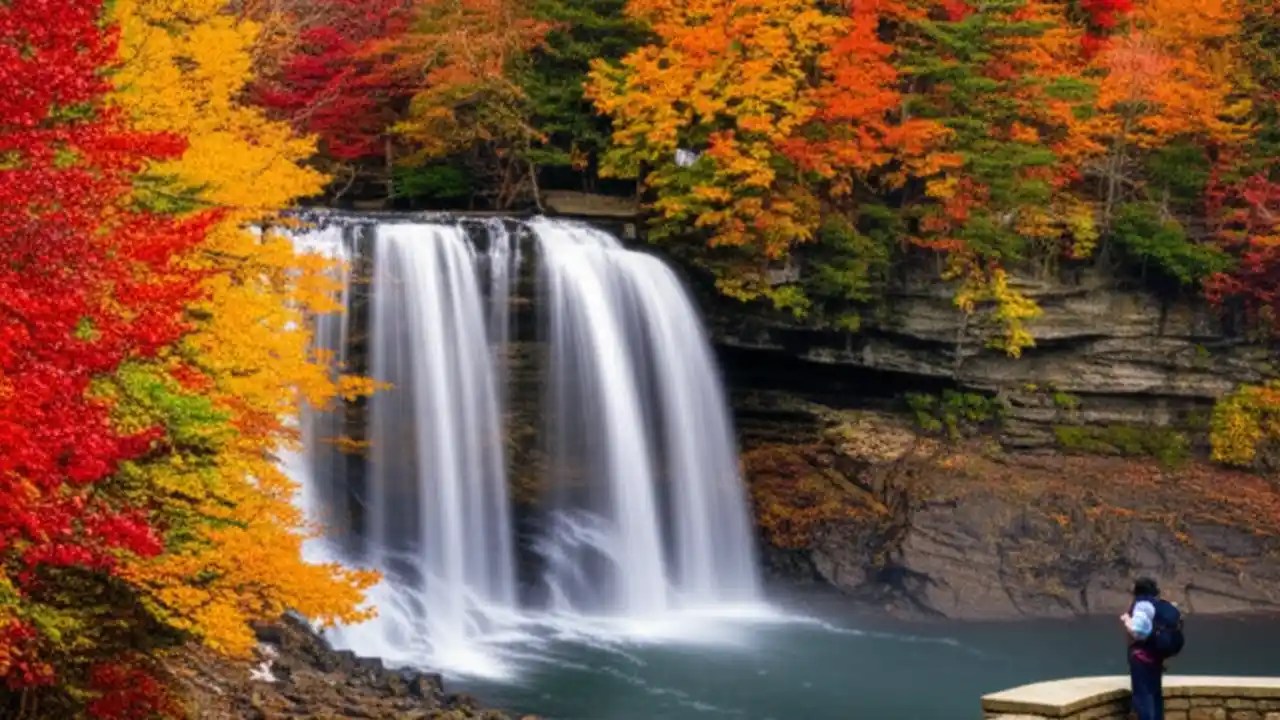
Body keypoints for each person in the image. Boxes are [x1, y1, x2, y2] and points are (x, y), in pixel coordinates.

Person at [1121, 577, 1174, 720]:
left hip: (1141, 658)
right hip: (1155, 658)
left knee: (1143, 697)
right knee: (1155, 695)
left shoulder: (1142, 605)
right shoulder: (1156, 604)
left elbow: (1139, 632)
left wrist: (1127, 620)